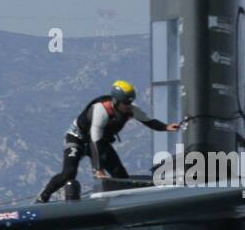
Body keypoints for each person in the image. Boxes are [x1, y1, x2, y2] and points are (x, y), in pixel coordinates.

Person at [36, 80, 179, 202]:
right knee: (69, 173)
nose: (128, 105)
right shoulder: (101, 111)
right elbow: (94, 141)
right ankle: (43, 196)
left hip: (99, 142)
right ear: (116, 101)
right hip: (78, 138)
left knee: (121, 176)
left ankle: (123, 203)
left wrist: (166, 127)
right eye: (125, 102)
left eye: (130, 102)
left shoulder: (130, 109)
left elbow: (149, 121)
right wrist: (98, 169)